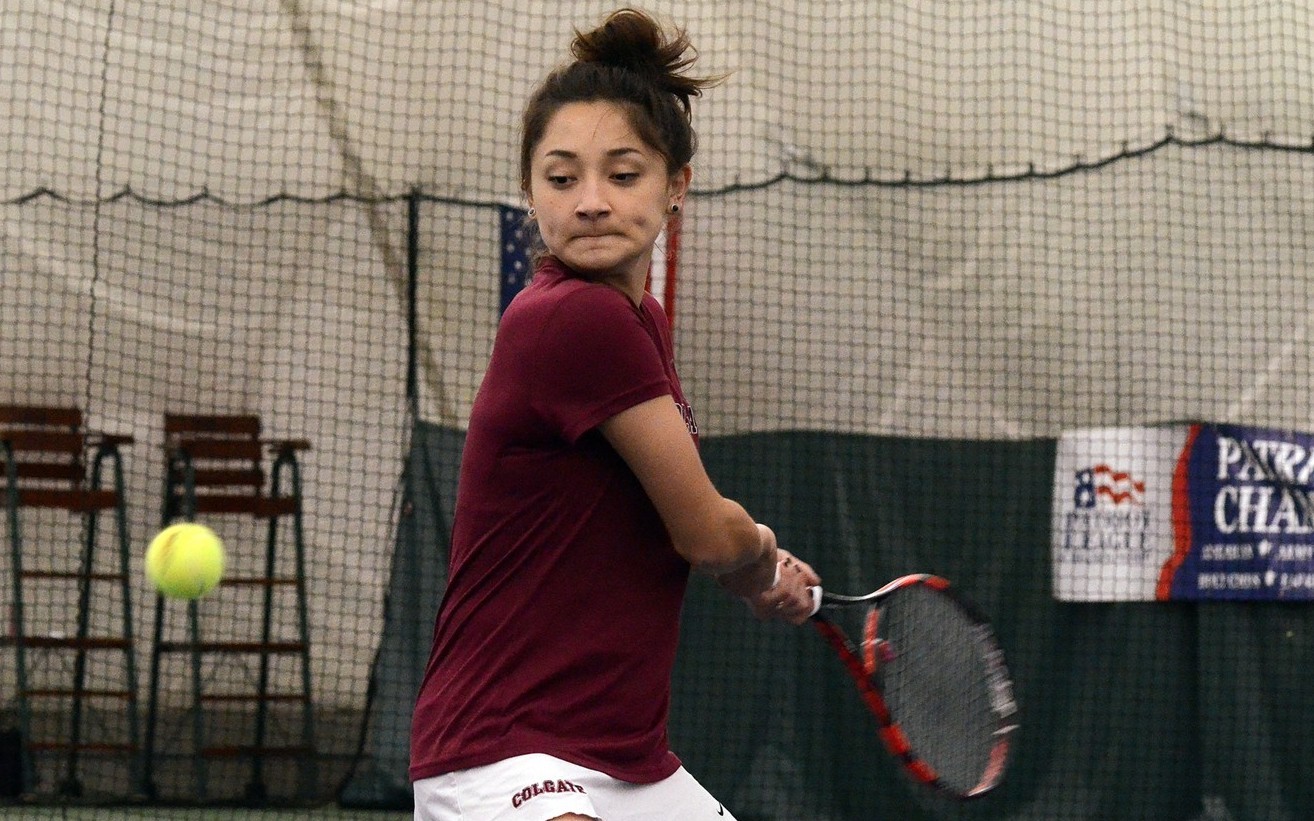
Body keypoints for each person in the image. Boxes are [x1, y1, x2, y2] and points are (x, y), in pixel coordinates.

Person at [409, 8, 820, 820]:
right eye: (561, 179)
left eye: (623, 174)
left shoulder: (639, 323)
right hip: (506, 749)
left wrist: (751, 568)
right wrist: (760, 560)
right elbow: (703, 531)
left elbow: (678, 524)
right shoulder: (572, 320)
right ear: (531, 191)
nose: (590, 201)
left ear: (677, 186)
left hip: (629, 759)